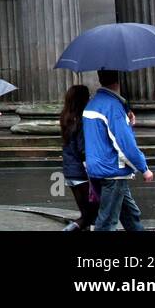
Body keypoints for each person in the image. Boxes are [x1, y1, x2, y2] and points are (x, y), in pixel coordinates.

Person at [82, 68, 153, 231]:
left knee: (129, 213)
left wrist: (125, 116)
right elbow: (124, 145)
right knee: (107, 221)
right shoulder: (113, 106)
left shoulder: (93, 103)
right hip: (113, 171)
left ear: (100, 79)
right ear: (118, 79)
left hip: (97, 169)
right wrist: (144, 168)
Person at [60, 84, 99, 231]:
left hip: (70, 171)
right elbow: (82, 148)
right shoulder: (81, 121)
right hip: (81, 173)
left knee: (86, 214)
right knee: (90, 215)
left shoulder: (66, 118)